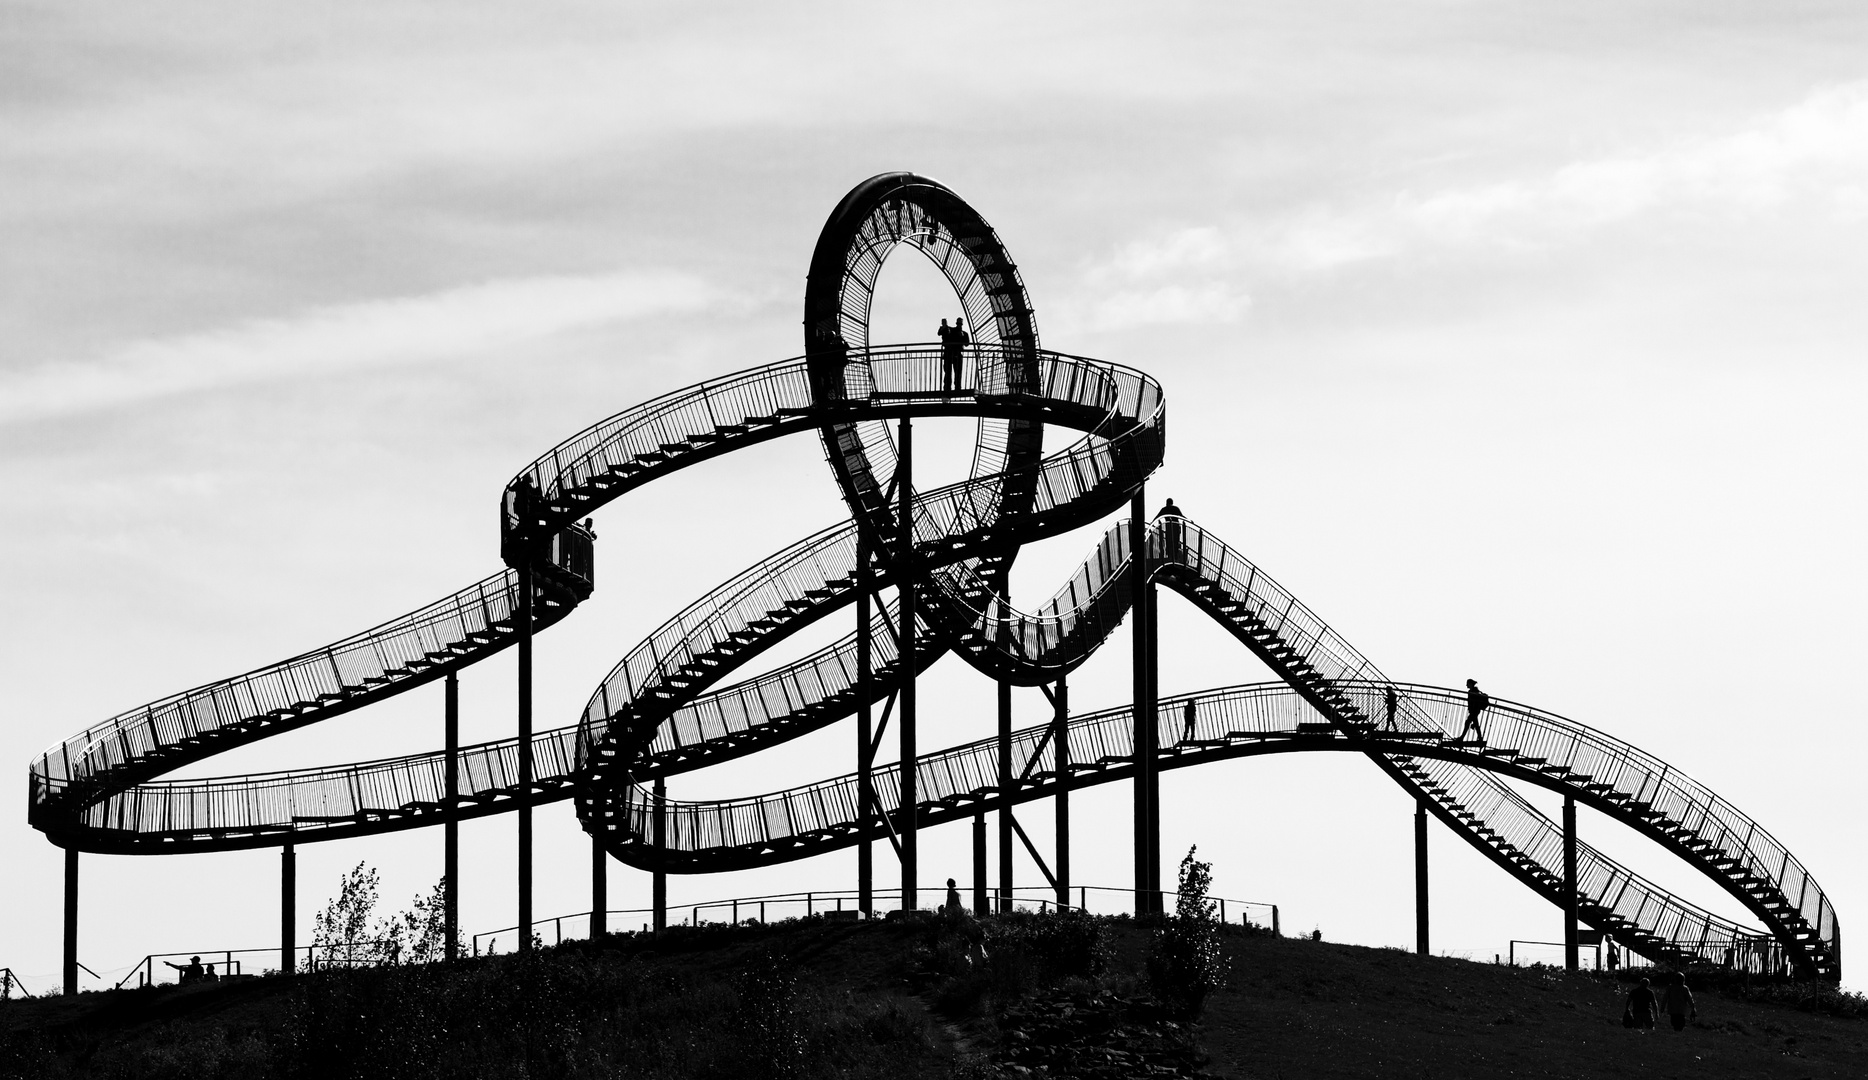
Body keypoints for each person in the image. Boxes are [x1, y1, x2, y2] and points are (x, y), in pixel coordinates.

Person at [1461, 678, 1489, 744]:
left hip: (1474, 710)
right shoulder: (1474, 691)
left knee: (1468, 723)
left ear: (1470, 684)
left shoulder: (1474, 692)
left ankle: (1462, 737)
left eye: (1467, 683)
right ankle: (1480, 738)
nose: (1466, 685)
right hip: (1474, 711)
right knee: (1475, 724)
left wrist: (1472, 709)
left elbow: (1474, 702)